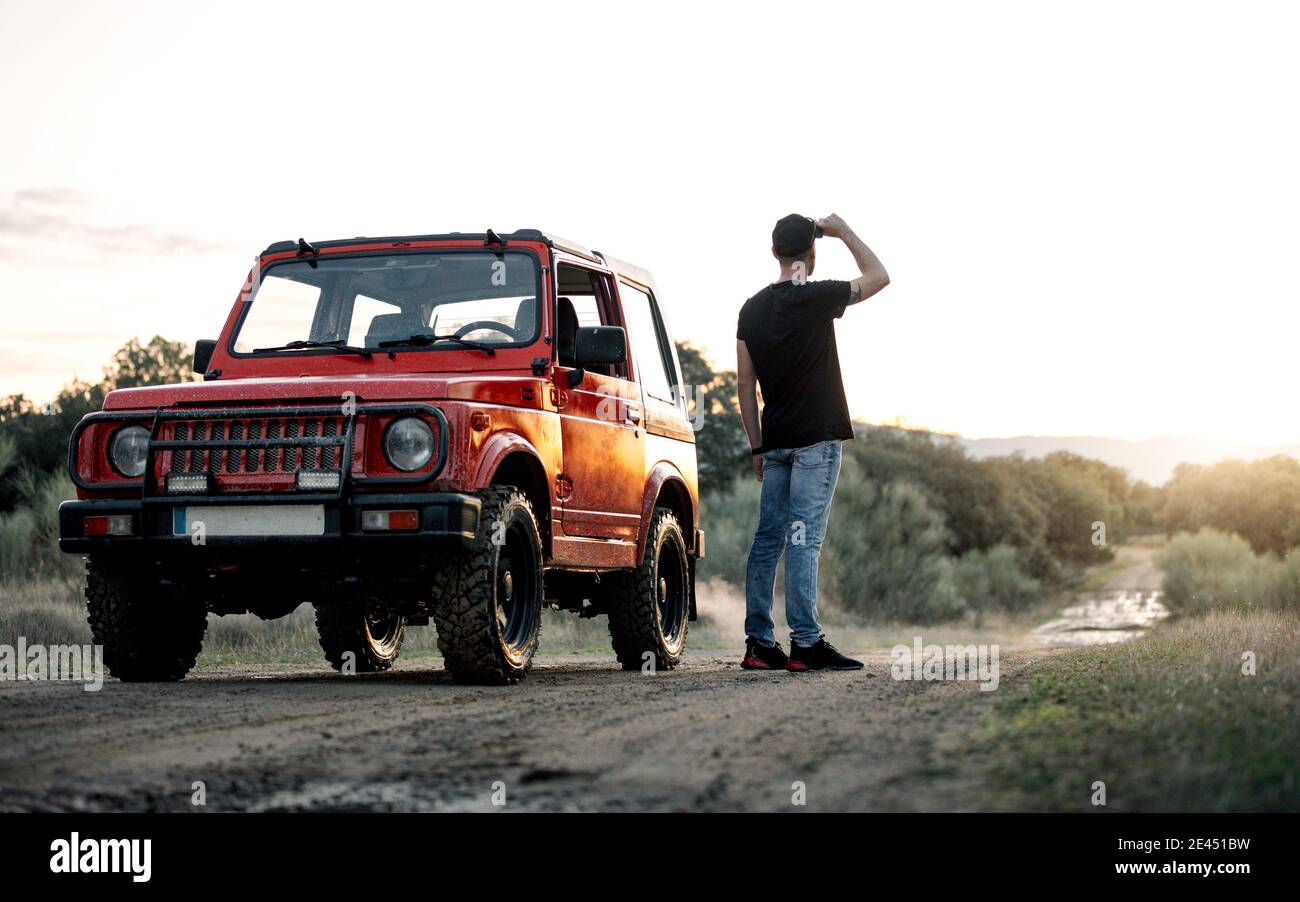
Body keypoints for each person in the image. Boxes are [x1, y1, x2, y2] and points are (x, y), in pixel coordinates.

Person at [735, 213, 891, 671]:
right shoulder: (817, 295)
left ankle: (759, 643)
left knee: (768, 540)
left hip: (777, 443)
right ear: (812, 253)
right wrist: (843, 231)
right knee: (804, 540)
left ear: (773, 252)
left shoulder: (751, 308)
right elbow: (880, 276)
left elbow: (745, 387)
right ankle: (805, 643)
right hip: (816, 441)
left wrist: (757, 446)